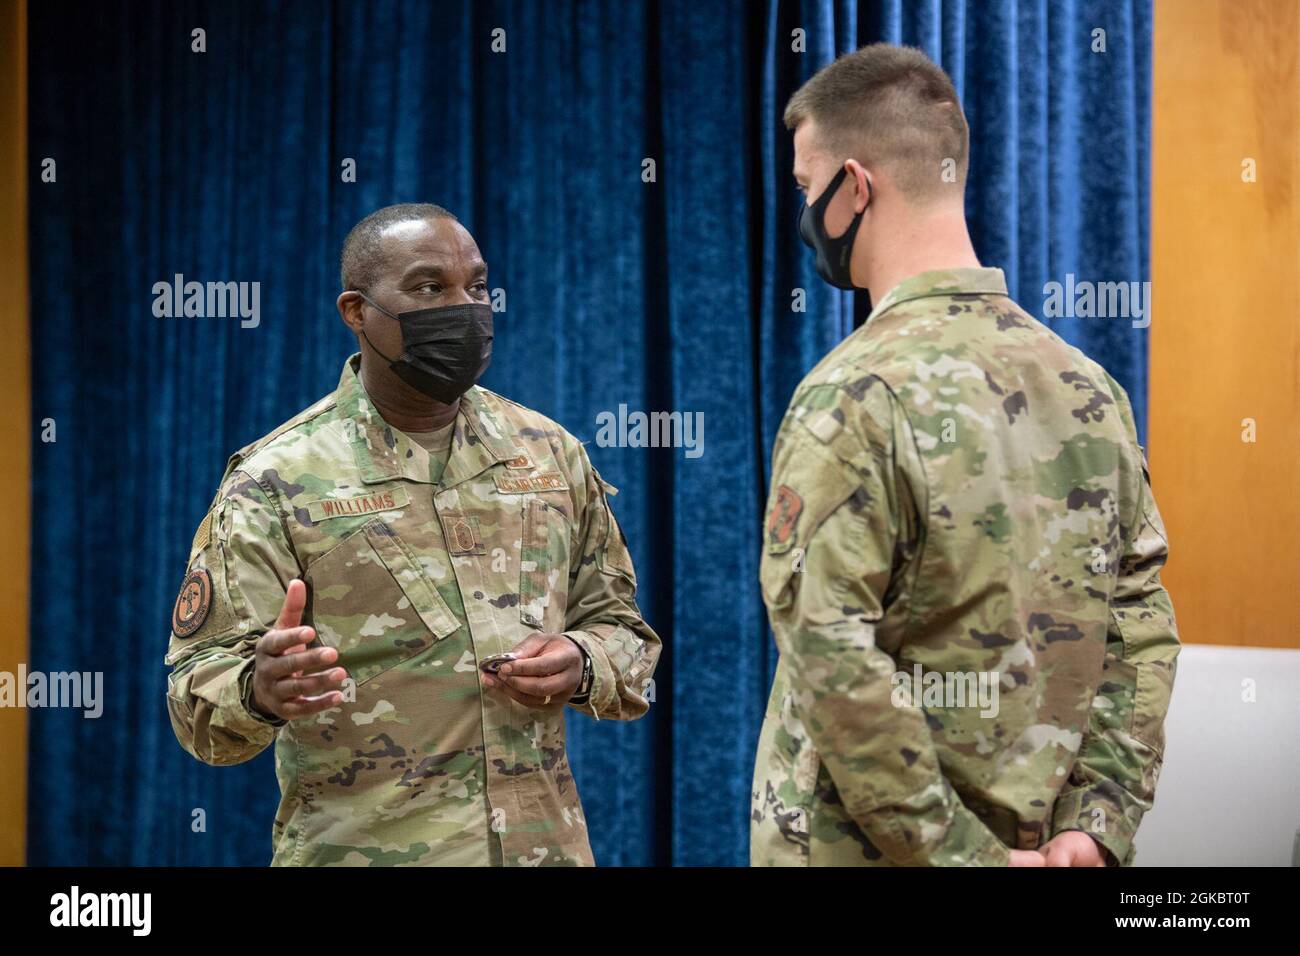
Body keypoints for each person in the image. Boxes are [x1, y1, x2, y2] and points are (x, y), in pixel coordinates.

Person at [751, 45, 1179, 867]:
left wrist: (962, 858)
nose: (804, 214)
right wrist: (1095, 825)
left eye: (807, 189)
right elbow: (1140, 630)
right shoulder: (1089, 388)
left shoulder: (852, 393)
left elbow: (831, 657)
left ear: (855, 186)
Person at [165, 203, 660, 866]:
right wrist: (260, 688)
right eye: (430, 289)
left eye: (477, 288)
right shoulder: (276, 479)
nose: (464, 308)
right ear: (356, 311)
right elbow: (196, 703)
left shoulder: (549, 454)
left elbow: (625, 635)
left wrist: (583, 663)